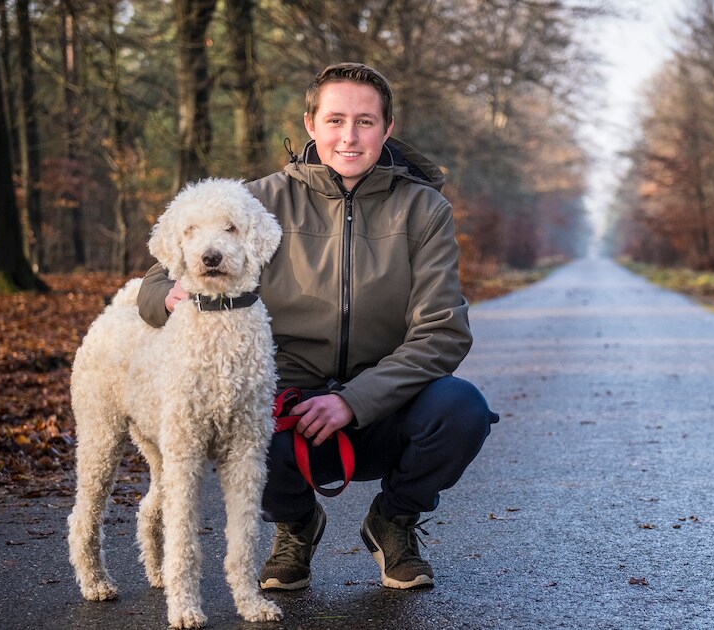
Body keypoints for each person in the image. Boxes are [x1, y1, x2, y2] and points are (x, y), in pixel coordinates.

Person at [137, 62, 498, 591]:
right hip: (288, 405)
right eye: (335, 120)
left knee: (462, 409)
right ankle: (296, 526)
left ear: (387, 128)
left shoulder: (424, 210)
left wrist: (353, 400)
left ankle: (393, 521)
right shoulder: (256, 201)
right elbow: (158, 277)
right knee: (234, 416)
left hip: (387, 403)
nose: (349, 136)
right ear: (310, 124)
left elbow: (442, 332)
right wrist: (166, 298)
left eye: (365, 122)